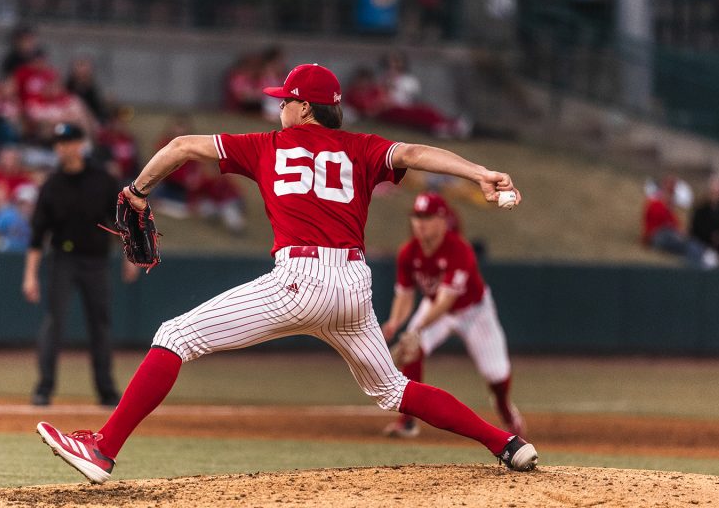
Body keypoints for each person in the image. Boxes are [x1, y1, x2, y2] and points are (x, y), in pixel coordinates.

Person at [36, 63, 538, 485]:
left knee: (175, 334)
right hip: (353, 288)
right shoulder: (361, 146)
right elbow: (412, 153)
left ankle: (102, 448)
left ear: (303, 108)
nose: (278, 107)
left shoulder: (267, 144)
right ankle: (507, 444)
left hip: (300, 279)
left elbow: (184, 146)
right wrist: (479, 173)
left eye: (285, 100)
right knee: (393, 389)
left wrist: (138, 191)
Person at [380, 192, 524, 438]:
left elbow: (447, 301)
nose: (420, 223)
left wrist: (418, 327)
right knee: (412, 349)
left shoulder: (459, 250)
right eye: (417, 216)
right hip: (434, 306)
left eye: (427, 217)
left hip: (474, 312)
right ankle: (407, 422)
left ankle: (504, 408)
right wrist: (395, 322)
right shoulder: (408, 252)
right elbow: (404, 295)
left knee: (496, 374)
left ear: (442, 220)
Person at [22, 122, 140, 408]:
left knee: (100, 325)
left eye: (68, 142)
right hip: (63, 259)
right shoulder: (52, 185)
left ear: (80, 145)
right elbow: (38, 235)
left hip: (96, 261)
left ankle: (107, 391)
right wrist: (30, 275)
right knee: (54, 322)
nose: (62, 148)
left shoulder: (102, 180)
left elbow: (121, 222)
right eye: (59, 143)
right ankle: (44, 388)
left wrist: (130, 257)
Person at [642, 176, 716, 268]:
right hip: (657, 237)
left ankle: (703, 257)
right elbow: (659, 225)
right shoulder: (656, 204)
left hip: (667, 236)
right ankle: (699, 263)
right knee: (680, 241)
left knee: (689, 242)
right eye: (669, 193)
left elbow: (676, 226)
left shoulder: (668, 208)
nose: (671, 196)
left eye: (672, 194)